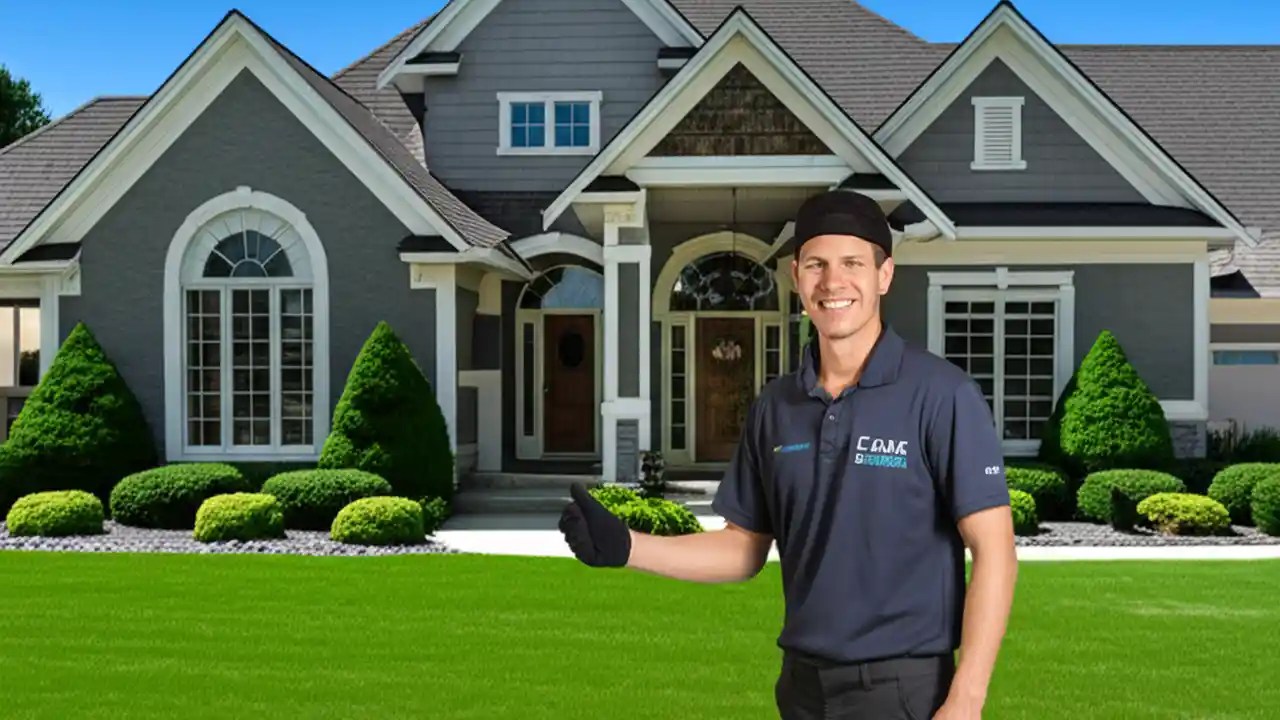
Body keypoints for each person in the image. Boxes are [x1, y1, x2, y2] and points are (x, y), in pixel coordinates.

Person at [558, 189, 1018, 719]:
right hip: (802, 688)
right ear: (797, 277)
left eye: (852, 263)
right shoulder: (776, 407)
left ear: (884, 275)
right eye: (817, 264)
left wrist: (966, 699)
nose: (833, 282)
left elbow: (995, 551)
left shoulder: (942, 394)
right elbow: (743, 550)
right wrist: (627, 546)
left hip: (903, 690)